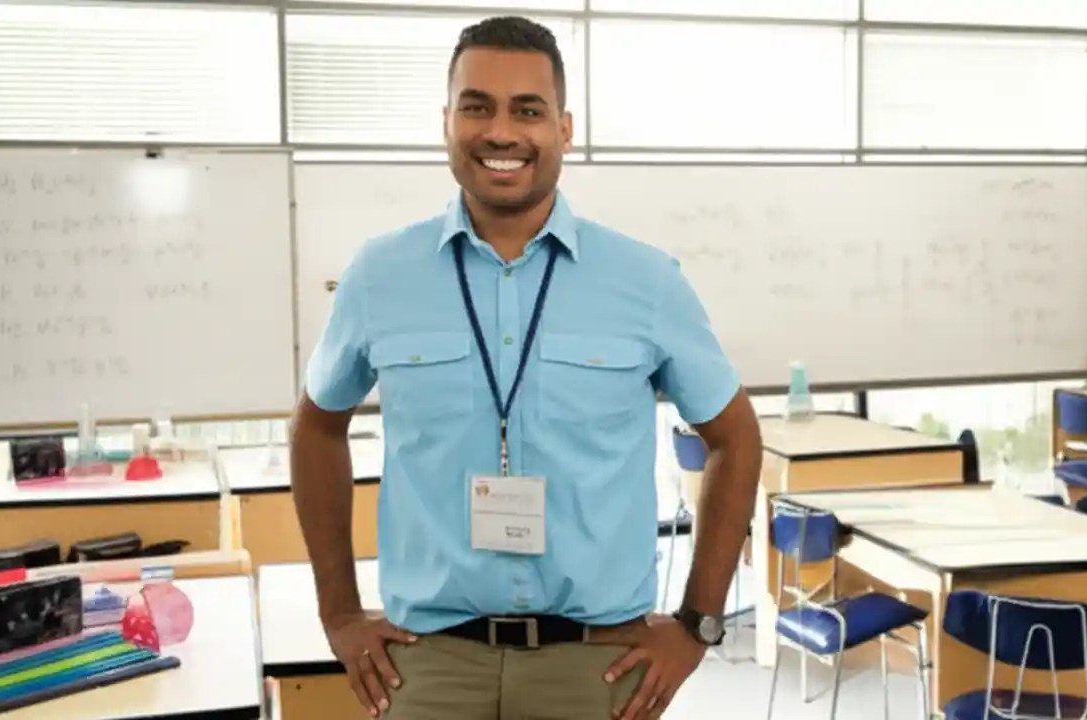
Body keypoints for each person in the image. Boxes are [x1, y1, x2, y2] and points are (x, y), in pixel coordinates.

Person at [289, 15, 762, 720]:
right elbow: (316, 429)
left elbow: (736, 438)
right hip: (426, 663)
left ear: (564, 130)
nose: (502, 133)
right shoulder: (378, 275)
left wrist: (698, 623)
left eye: (528, 111)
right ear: (446, 122)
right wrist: (338, 612)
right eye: (477, 107)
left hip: (599, 665)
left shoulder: (645, 280)